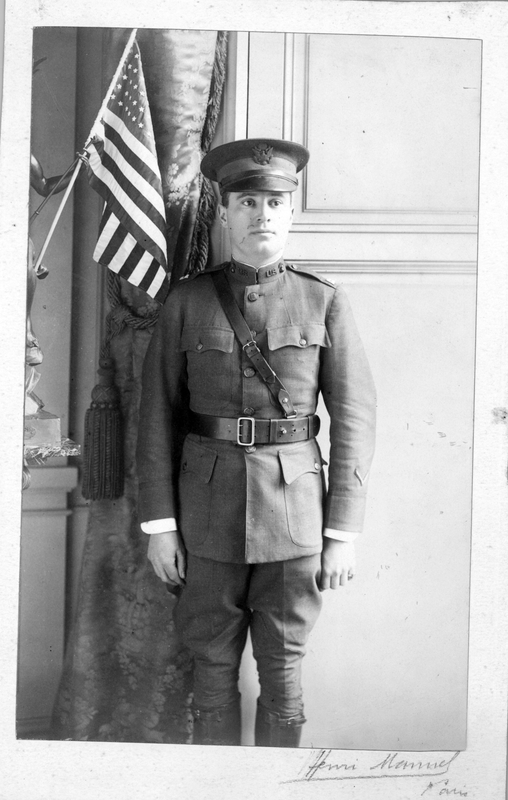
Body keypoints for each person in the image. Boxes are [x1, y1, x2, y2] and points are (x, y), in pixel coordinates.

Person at [136, 138, 376, 748]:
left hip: (296, 519)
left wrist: (342, 534)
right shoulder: (187, 303)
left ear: (290, 213)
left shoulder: (323, 301)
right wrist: (160, 525)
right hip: (204, 519)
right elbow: (156, 419)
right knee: (211, 680)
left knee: (284, 677)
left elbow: (354, 418)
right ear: (225, 212)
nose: (261, 214)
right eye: (247, 201)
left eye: (274, 201)